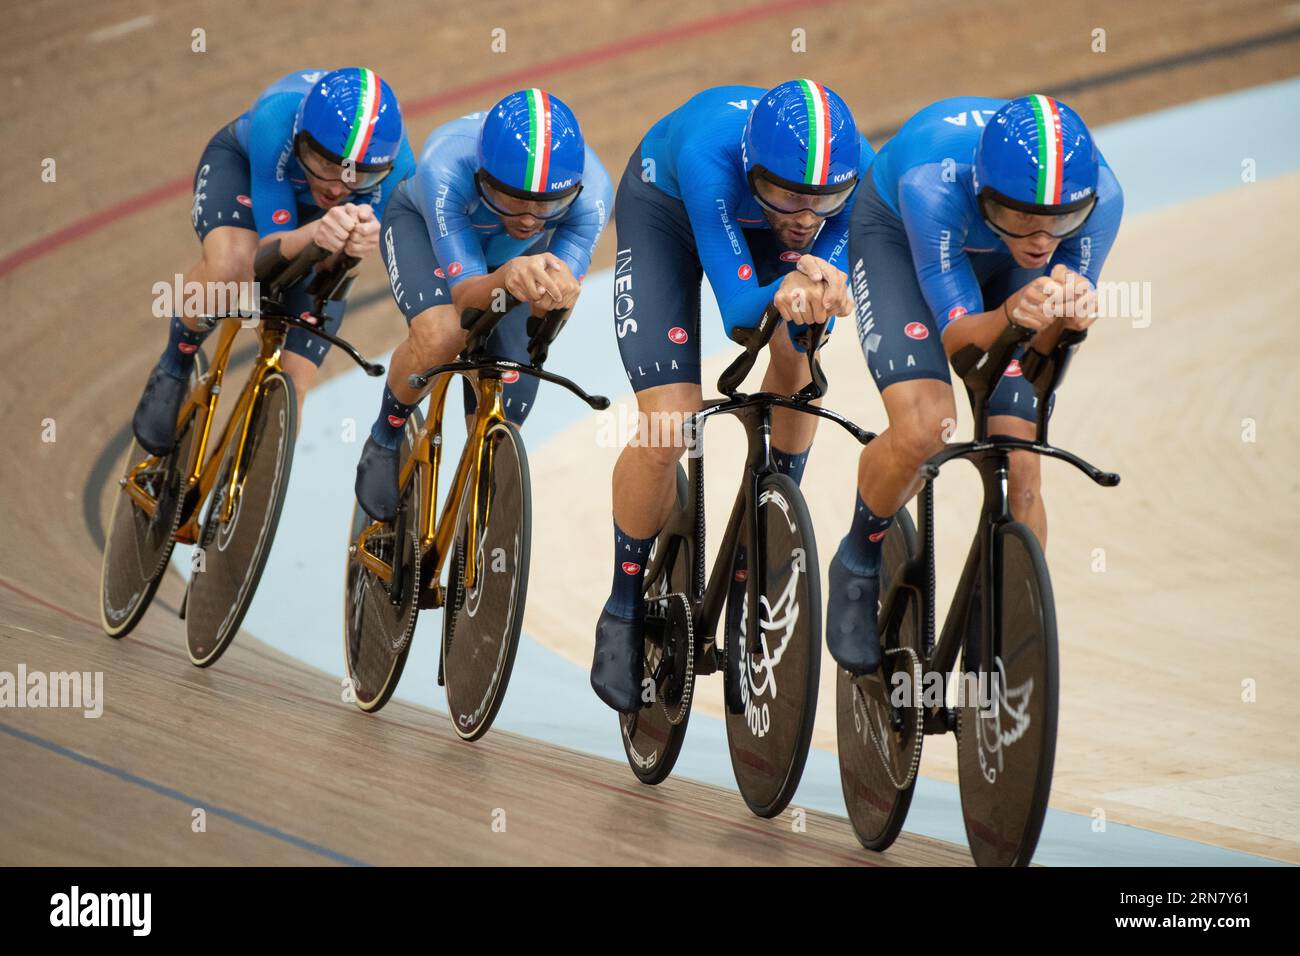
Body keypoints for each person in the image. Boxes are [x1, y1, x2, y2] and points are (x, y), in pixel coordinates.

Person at [591, 79, 871, 712]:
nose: (805, 214)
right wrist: (789, 286)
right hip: (668, 215)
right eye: (786, 194)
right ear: (752, 169)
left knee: (799, 345)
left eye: (825, 198)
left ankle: (773, 506)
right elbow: (739, 315)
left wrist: (817, 286)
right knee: (671, 423)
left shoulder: (857, 179)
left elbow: (824, 260)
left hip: (762, 240)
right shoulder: (709, 155)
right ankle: (623, 605)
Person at [828, 94, 1124, 673]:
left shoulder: (1101, 201)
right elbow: (961, 343)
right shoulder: (930, 187)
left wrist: (1066, 320)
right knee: (926, 428)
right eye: (1021, 218)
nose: (1042, 240)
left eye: (1059, 223)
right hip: (901, 243)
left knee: (1023, 465)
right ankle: (859, 560)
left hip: (1005, 273)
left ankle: (1012, 624)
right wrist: (1014, 313)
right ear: (986, 195)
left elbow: (1041, 363)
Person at [354, 88, 612, 523]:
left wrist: (552, 304)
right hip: (428, 237)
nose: (530, 219)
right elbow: (468, 299)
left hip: (510, 264)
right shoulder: (446, 165)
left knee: (513, 389)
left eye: (547, 205)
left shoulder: (593, 193)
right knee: (442, 334)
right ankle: (386, 435)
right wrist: (505, 277)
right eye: (514, 199)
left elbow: (542, 325)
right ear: (484, 179)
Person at [131, 67, 415, 453]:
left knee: (294, 383)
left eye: (357, 177)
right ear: (301, 141)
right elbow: (269, 254)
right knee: (233, 267)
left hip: (314, 223)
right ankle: (175, 362)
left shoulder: (398, 171)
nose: (336, 187)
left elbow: (332, 273)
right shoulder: (276, 120)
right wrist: (317, 233)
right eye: (327, 164)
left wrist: (351, 249)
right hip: (247, 182)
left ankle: (248, 491)